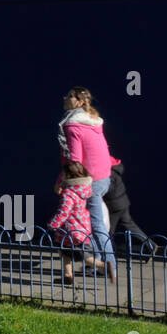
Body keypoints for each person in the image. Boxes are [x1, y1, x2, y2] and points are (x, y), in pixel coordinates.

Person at [56, 86, 117, 283]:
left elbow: (74, 159)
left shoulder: (73, 126)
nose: (65, 98)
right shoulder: (92, 121)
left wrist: (61, 181)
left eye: (70, 96)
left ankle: (108, 264)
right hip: (104, 176)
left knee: (95, 223)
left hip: (89, 180)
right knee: (87, 220)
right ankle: (97, 262)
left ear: (80, 102)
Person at [47, 161, 92, 284]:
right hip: (81, 226)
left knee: (82, 256)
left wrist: (53, 224)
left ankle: (104, 266)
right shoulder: (83, 189)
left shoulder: (69, 193)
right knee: (64, 251)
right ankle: (68, 276)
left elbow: (64, 212)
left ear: (68, 176)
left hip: (71, 229)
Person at [104, 157, 155, 258]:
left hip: (114, 206)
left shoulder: (109, 173)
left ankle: (108, 256)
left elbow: (108, 190)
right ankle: (151, 245)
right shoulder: (115, 170)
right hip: (123, 202)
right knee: (130, 226)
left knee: (108, 231)